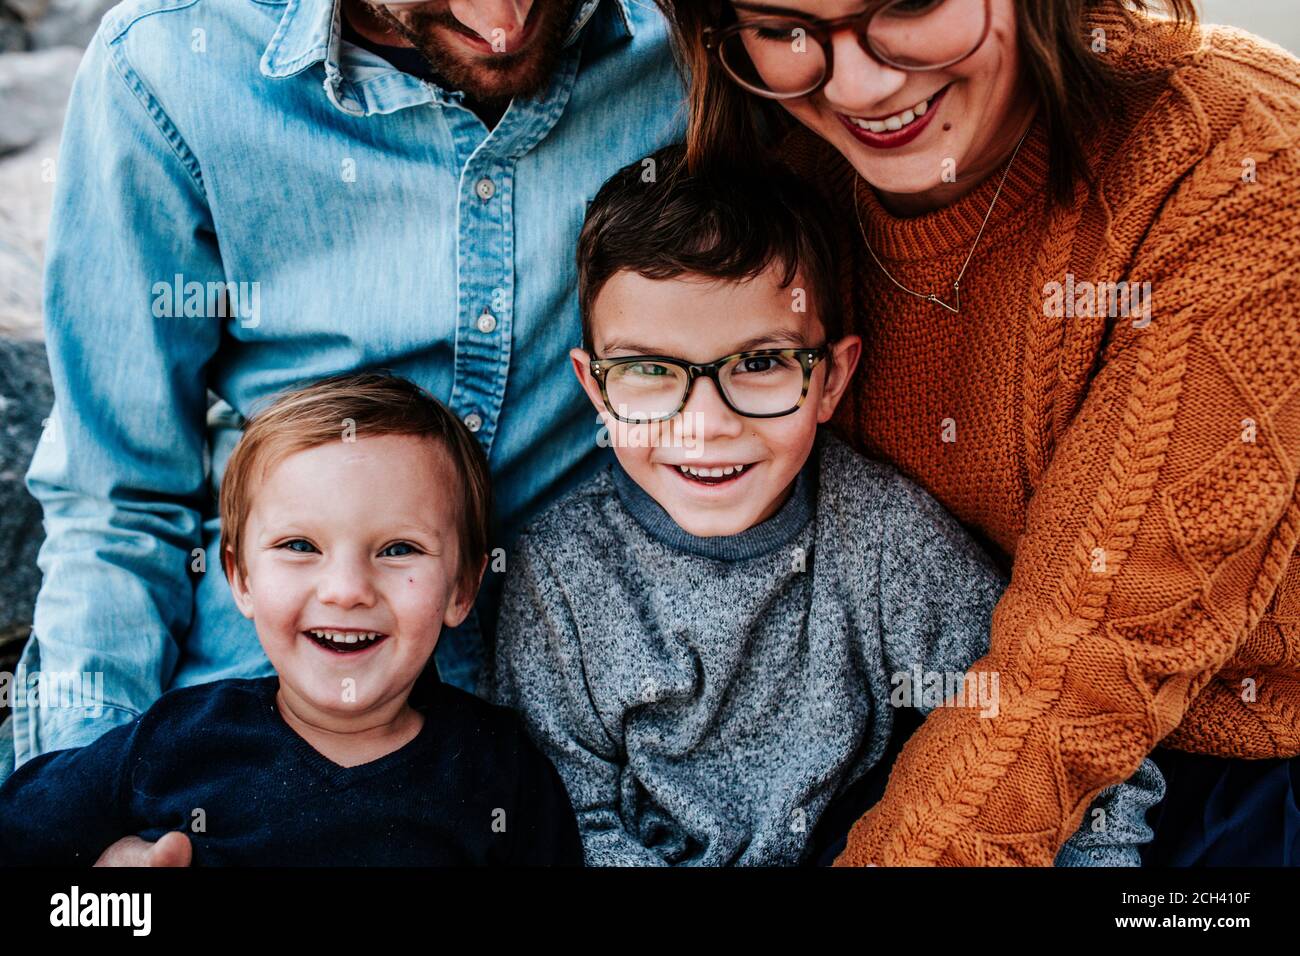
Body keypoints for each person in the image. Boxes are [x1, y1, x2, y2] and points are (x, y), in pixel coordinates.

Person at [655, 0, 1300, 865]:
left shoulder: (1241, 163)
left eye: (909, 4)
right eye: (782, 29)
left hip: (1236, 773)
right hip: (940, 727)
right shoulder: (785, 180)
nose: (859, 84)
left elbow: (1087, 659)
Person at [3, 0, 683, 813]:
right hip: (243, 730)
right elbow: (117, 501)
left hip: (572, 753)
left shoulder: (686, 57)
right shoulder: (166, 68)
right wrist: (79, 813)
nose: (504, 19)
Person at [486, 145, 1165, 866]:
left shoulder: (882, 539)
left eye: (758, 363)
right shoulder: (558, 578)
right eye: (650, 370)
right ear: (595, 390)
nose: (707, 423)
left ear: (832, 379)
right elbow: (564, 821)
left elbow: (1051, 728)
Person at [0, 373, 583, 866]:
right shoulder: (175, 741)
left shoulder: (502, 774)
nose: (347, 590)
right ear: (242, 578)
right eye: (301, 546)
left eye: (399, 549)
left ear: (463, 588)